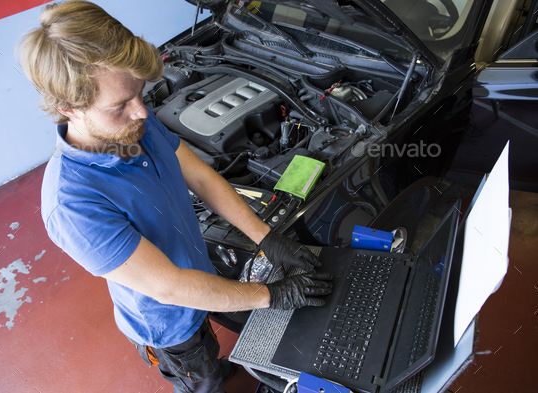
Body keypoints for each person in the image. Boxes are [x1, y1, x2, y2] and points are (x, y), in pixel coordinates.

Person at [17, 1, 333, 392]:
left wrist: (267, 238)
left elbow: (199, 176)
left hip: (197, 287)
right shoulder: (73, 204)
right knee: (199, 375)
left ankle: (214, 368)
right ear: (70, 110)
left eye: (140, 95)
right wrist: (274, 295)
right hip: (168, 326)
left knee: (209, 346)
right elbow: (170, 286)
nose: (142, 113)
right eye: (120, 105)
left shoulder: (132, 129)